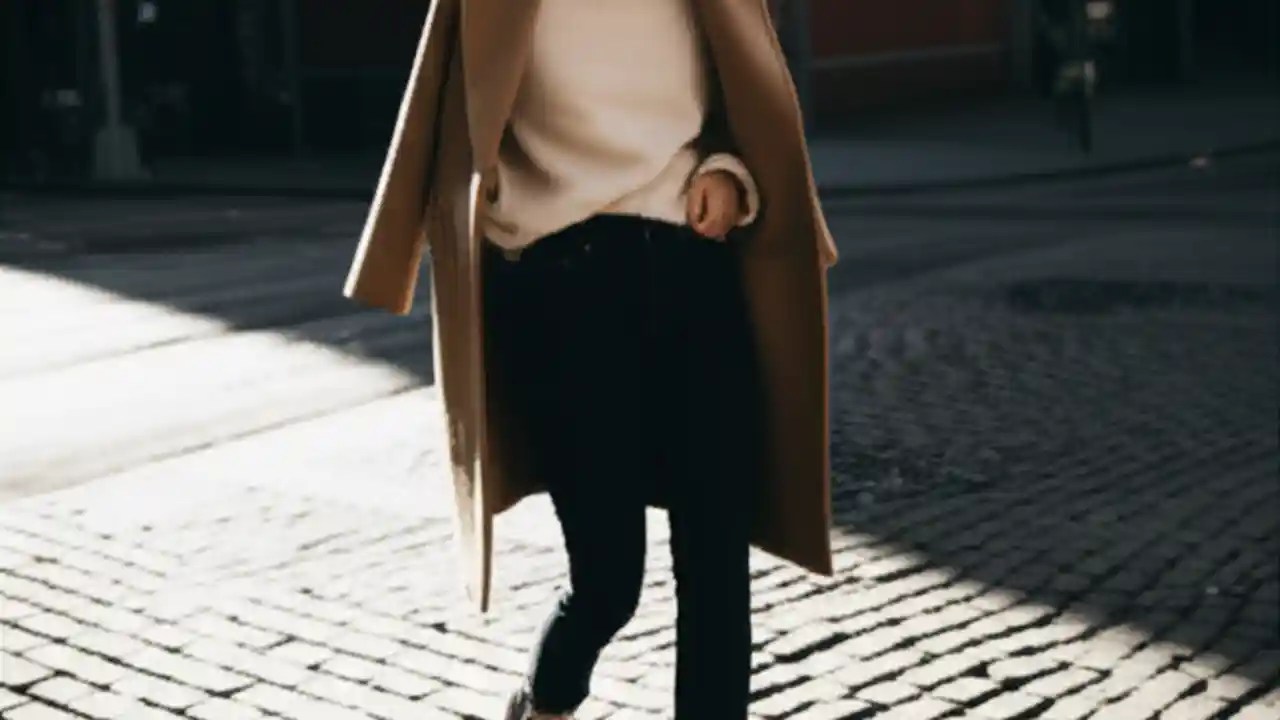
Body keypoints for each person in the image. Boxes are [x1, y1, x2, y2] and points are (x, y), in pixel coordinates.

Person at [341, 1, 839, 718]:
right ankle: (545, 701)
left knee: (717, 562)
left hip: (691, 265)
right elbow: (444, 121)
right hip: (566, 286)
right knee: (608, 581)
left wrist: (729, 173)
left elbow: (739, 100)